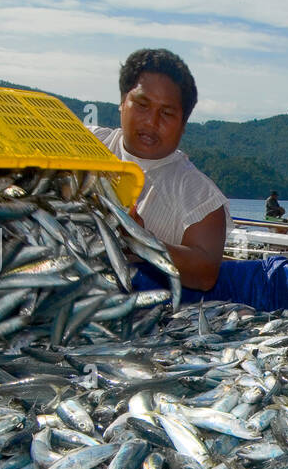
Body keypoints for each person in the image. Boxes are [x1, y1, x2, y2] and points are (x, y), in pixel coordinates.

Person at [89, 49, 229, 292]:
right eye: (142, 105)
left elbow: (205, 273)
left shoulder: (202, 199)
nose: (151, 122)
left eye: (166, 113)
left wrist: (141, 241)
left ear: (184, 123)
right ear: (122, 103)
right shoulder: (87, 145)